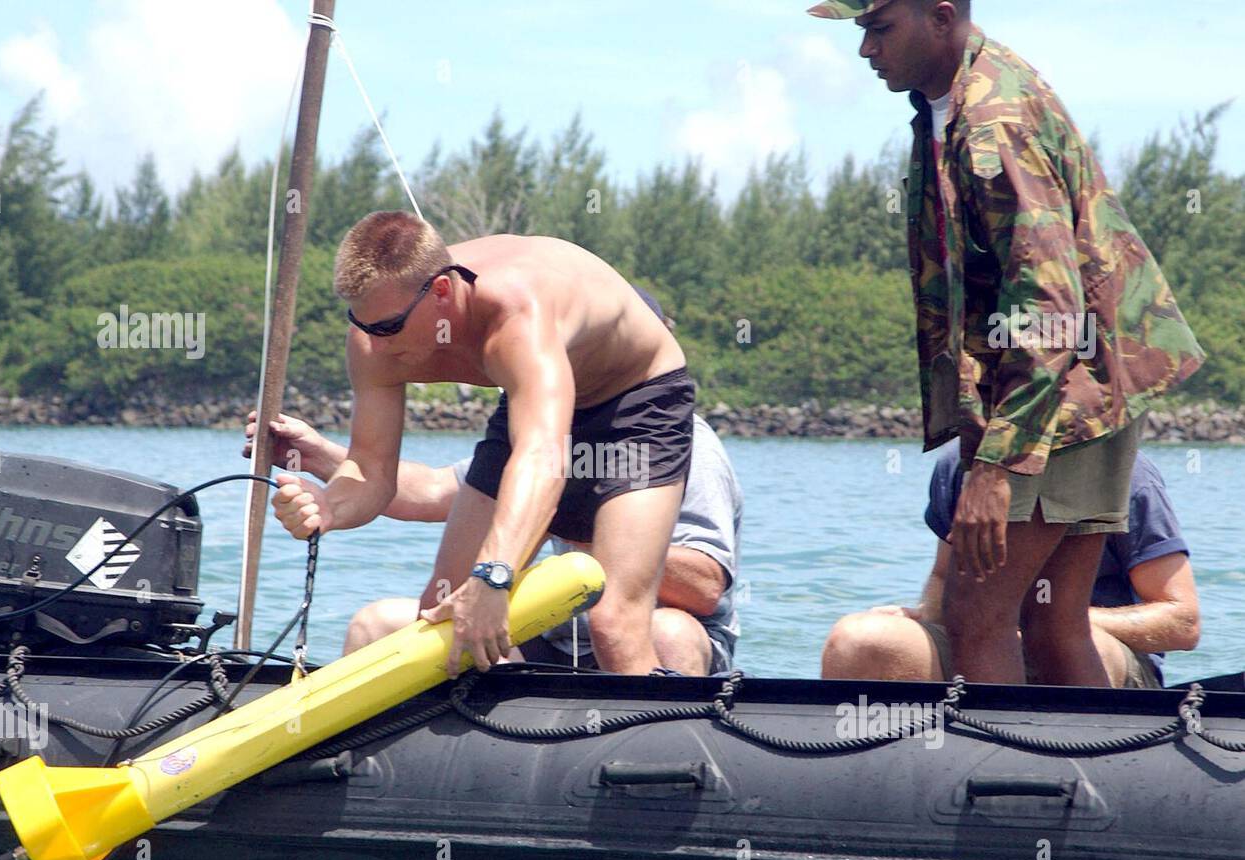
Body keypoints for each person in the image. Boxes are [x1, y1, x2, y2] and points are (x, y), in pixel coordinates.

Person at [808, 1, 1206, 685]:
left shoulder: (994, 121)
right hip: (1088, 385)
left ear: (940, 17)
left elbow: (1049, 304)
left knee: (978, 614)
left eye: (878, 28)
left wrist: (996, 467)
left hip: (1062, 393)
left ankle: (1005, 782)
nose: (865, 50)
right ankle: (1082, 782)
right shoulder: (955, 100)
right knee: (1054, 621)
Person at [269, 213, 696, 676]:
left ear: (442, 292)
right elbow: (371, 470)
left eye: (389, 327)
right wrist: (331, 505)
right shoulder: (374, 335)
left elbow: (542, 457)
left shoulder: (515, 314)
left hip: (633, 403)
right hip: (535, 400)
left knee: (612, 622)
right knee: (443, 610)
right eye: (361, 322)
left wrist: (494, 573)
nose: (377, 345)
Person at [246, 411, 742, 675]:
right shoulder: (546, 434)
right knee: (377, 624)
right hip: (551, 634)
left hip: (662, 632)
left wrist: (571, 525)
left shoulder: (688, 448)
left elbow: (704, 588)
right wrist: (321, 457)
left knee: (668, 631)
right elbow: (435, 489)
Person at [821, 442, 1200, 688]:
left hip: (1104, 654)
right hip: (983, 636)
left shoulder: (1130, 477)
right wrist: (927, 614)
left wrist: (1057, 621)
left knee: (1076, 643)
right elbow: (943, 575)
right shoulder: (961, 466)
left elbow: (1182, 621)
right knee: (859, 639)